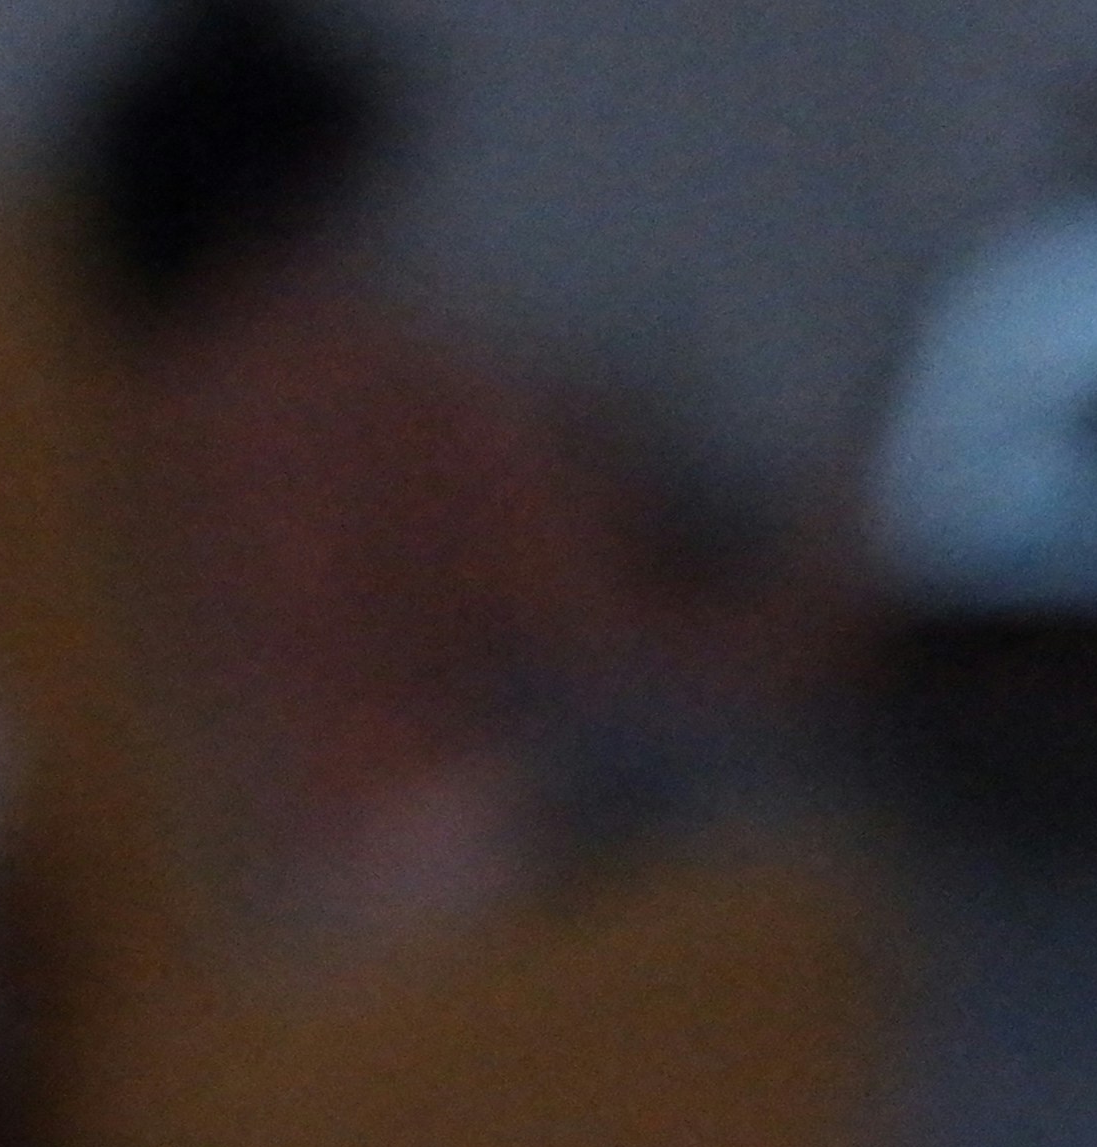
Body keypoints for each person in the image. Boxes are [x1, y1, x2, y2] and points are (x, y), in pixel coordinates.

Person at [68, 0, 843, 943]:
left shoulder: (118, 406)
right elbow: (643, 666)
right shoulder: (386, 382)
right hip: (426, 874)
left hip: (212, 911)